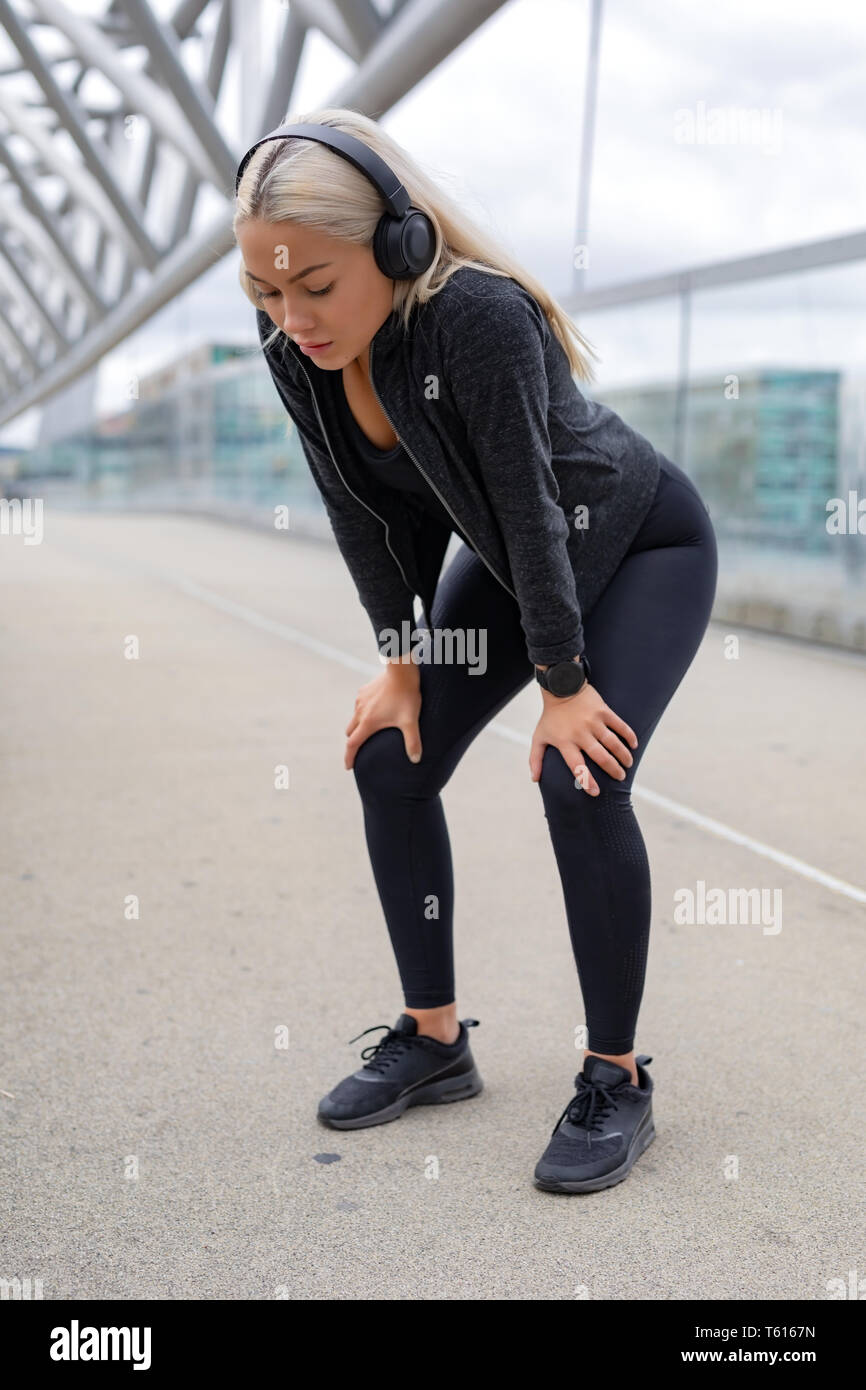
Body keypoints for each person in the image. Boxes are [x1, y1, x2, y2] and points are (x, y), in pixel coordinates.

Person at [234, 107, 718, 1194]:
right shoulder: (295, 353)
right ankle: (435, 1039)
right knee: (387, 759)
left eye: (315, 284)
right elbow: (363, 517)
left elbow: (532, 510)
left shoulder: (479, 320)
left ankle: (615, 1077)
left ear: (395, 244)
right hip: (515, 567)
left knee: (577, 772)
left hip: (638, 542)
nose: (291, 315)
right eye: (265, 290)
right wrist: (402, 665)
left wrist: (561, 686)